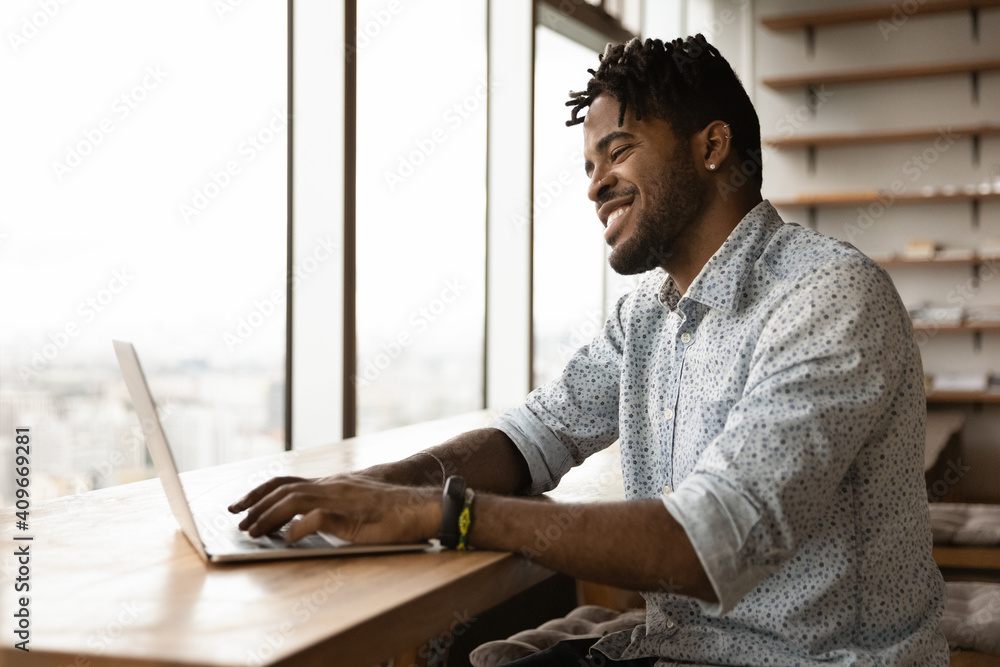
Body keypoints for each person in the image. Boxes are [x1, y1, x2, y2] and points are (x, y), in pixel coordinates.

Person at [229, 35, 949, 665]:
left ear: (711, 145)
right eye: (587, 165)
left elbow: (706, 542)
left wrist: (448, 513)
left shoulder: (827, 294)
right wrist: (385, 487)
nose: (595, 185)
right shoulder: (648, 314)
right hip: (680, 649)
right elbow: (532, 436)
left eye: (618, 151)